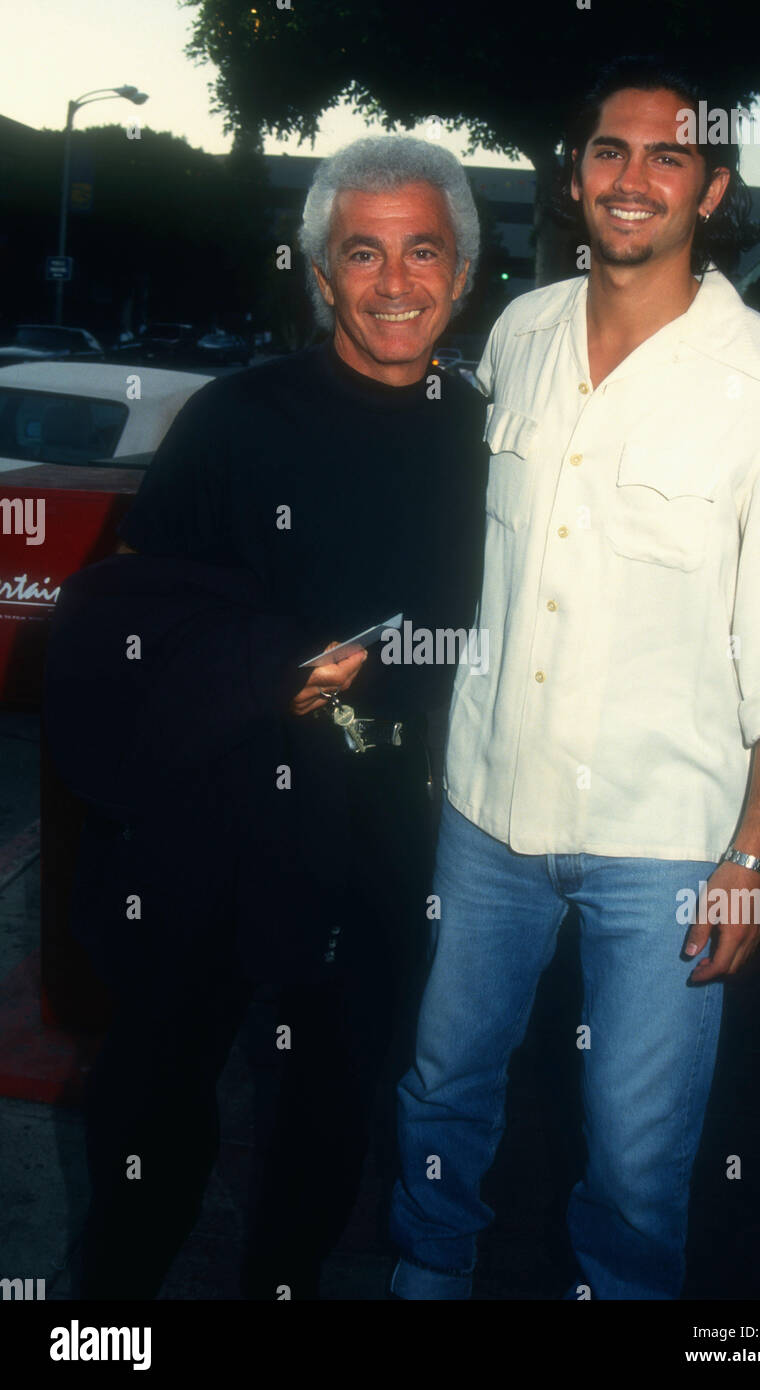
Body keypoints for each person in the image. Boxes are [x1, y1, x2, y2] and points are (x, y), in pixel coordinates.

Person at [389, 57, 760, 1301]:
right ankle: (424, 1280)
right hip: (487, 809)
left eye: (666, 157)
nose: (632, 178)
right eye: (609, 152)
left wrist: (751, 861)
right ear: (575, 175)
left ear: (710, 190)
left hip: (669, 843)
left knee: (639, 1157)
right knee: (441, 1090)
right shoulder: (522, 334)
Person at [44, 134, 489, 1301]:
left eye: (422, 249)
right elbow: (114, 624)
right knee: (153, 1103)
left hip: (388, 827)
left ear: (463, 269)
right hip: (219, 812)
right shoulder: (235, 418)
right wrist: (261, 669)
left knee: (330, 1115)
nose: (396, 281)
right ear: (319, 273)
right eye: (363, 251)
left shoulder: (490, 433)